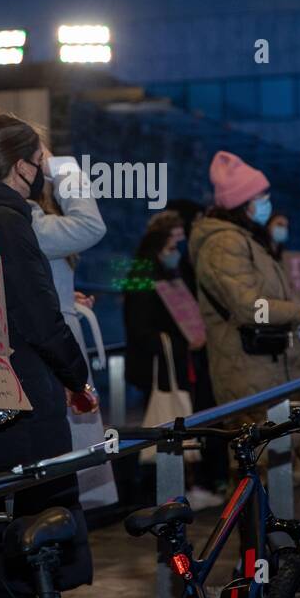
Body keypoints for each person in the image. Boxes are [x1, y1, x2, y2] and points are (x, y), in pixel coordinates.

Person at [0, 108, 100, 598]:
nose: (41, 173)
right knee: (36, 527)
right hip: (22, 397)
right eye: (39, 162)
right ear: (20, 167)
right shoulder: (9, 221)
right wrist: (76, 375)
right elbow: (38, 317)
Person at [190, 151, 300, 553]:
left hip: (285, 368)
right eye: (263, 194)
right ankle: (258, 560)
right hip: (251, 375)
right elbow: (247, 306)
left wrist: (297, 316)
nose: (269, 201)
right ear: (243, 201)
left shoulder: (249, 239)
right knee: (258, 468)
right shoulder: (222, 244)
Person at [26, 138, 118, 513]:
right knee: (66, 475)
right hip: (55, 350)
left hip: (60, 342)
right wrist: (64, 168)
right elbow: (89, 224)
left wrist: (67, 293)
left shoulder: (33, 214)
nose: (45, 161)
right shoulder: (25, 216)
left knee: (70, 473)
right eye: (40, 154)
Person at [123, 211, 225, 506]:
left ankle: (188, 486)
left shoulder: (175, 274)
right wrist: (177, 342)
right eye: (171, 247)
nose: (175, 254)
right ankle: (170, 492)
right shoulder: (142, 274)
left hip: (180, 365)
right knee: (167, 428)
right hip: (160, 369)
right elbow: (139, 325)